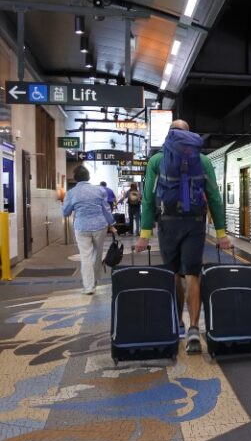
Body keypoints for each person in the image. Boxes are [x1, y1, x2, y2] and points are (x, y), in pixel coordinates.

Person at [134, 119, 231, 354]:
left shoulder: (157, 161)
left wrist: (144, 235)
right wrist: (221, 233)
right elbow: (215, 198)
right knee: (192, 274)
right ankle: (194, 329)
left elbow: (147, 200)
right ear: (190, 135)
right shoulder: (203, 160)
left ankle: (177, 324)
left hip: (167, 224)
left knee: (174, 274)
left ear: (169, 135)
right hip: (195, 225)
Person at [62, 165, 117, 295]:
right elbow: (106, 209)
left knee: (85, 256)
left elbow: (66, 212)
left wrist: (64, 205)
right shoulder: (99, 190)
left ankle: (88, 286)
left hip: (81, 227)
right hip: (100, 226)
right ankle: (95, 281)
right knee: (97, 255)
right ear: (89, 177)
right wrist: (112, 224)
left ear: (75, 179)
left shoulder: (71, 193)